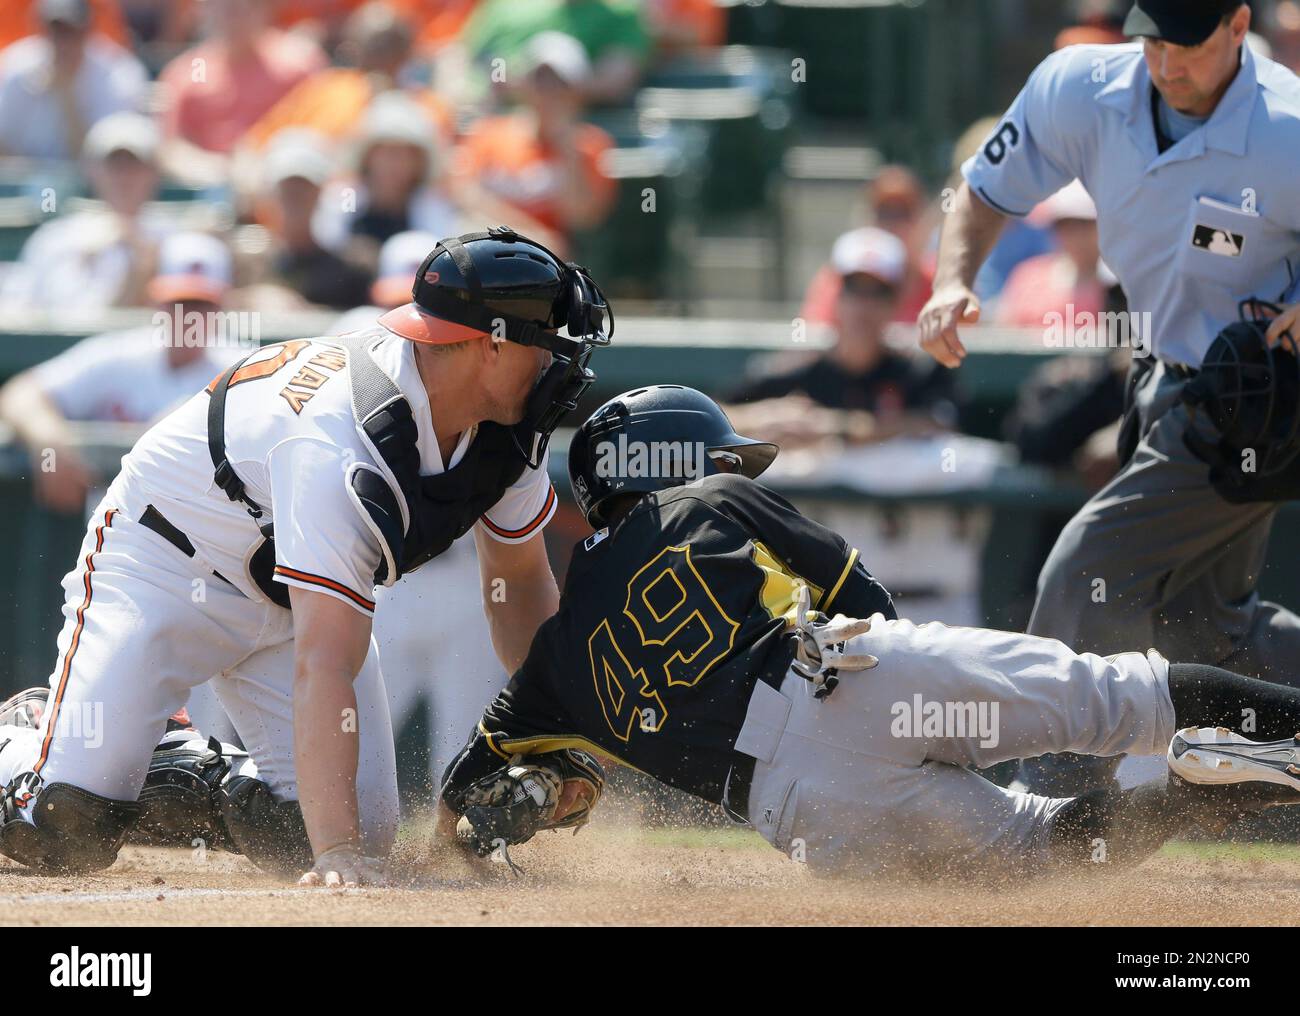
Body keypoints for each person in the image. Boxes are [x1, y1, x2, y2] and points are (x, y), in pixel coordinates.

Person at [438, 386, 1300, 878]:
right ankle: (1274, 735)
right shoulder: (708, 498)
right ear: (671, 460)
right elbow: (861, 593)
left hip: (800, 809)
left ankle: (1199, 791)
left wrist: (492, 833)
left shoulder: (548, 666)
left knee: (1044, 850)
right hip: (845, 677)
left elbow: (458, 799)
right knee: (1128, 697)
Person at [0, 227, 612, 887]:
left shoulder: (501, 425)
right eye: (549, 344)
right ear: (490, 344)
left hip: (289, 597)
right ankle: (33, 736)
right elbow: (325, 663)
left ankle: (164, 757)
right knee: (61, 825)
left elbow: (519, 590)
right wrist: (336, 857)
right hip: (163, 567)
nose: (561, 365)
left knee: (348, 833)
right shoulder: (345, 438)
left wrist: (558, 730)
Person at [917, 0, 1300, 796]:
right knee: (1207, 635)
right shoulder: (1083, 87)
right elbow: (985, 186)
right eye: (1153, 39)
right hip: (1162, 380)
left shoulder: (1285, 127)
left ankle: (1044, 809)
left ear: (1236, 25)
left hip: (1254, 399)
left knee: (1084, 576)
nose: (1166, 63)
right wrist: (953, 279)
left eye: (1188, 43)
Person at [0, 231, 245, 514]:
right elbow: (21, 393)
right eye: (177, 302)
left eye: (202, 304)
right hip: (110, 530)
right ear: (155, 301)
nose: (188, 315)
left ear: (224, 305)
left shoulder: (242, 368)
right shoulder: (123, 352)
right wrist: (49, 444)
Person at [728, 227, 960, 451]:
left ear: (896, 301)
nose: (864, 305)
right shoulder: (792, 371)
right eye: (854, 289)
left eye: (879, 292)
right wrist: (767, 416)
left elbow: (941, 423)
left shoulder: (918, 373)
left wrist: (839, 427)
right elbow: (717, 417)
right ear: (836, 295)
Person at [451, 31, 617, 254]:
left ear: (576, 92)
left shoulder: (591, 144)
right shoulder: (490, 132)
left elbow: (582, 218)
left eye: (559, 84)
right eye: (539, 81)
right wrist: (523, 235)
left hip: (550, 265)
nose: (547, 92)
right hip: (487, 248)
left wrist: (568, 148)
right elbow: (465, 197)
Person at [1, 111, 163, 310]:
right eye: (113, 163)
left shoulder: (177, 240)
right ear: (92, 169)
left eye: (134, 163)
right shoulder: (55, 239)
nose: (123, 175)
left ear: (155, 171)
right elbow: (56, 319)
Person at [157, 0, 327, 182]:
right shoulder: (185, 73)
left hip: (288, 184)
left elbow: (321, 134)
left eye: (245, 6)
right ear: (203, 9)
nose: (235, 15)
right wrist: (219, 171)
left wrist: (267, 167)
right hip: (211, 192)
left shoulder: (299, 63)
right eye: (225, 6)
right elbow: (171, 147)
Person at [0, 0, 147, 161]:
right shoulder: (16, 65)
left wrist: (65, 93)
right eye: (54, 32)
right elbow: (4, 145)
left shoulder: (119, 74)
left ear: (88, 31)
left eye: (70, 32)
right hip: (23, 179)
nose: (62, 42)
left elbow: (103, 159)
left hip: (94, 183)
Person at [250, 129, 373, 310]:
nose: (295, 198)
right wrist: (249, 299)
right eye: (287, 189)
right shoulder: (246, 263)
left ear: (320, 194)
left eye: (304, 189)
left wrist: (303, 311)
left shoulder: (353, 268)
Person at [995, 180, 1107, 328]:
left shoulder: (1120, 286)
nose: (1076, 236)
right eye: (1065, 225)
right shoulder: (1027, 277)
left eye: (1085, 224)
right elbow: (1004, 331)